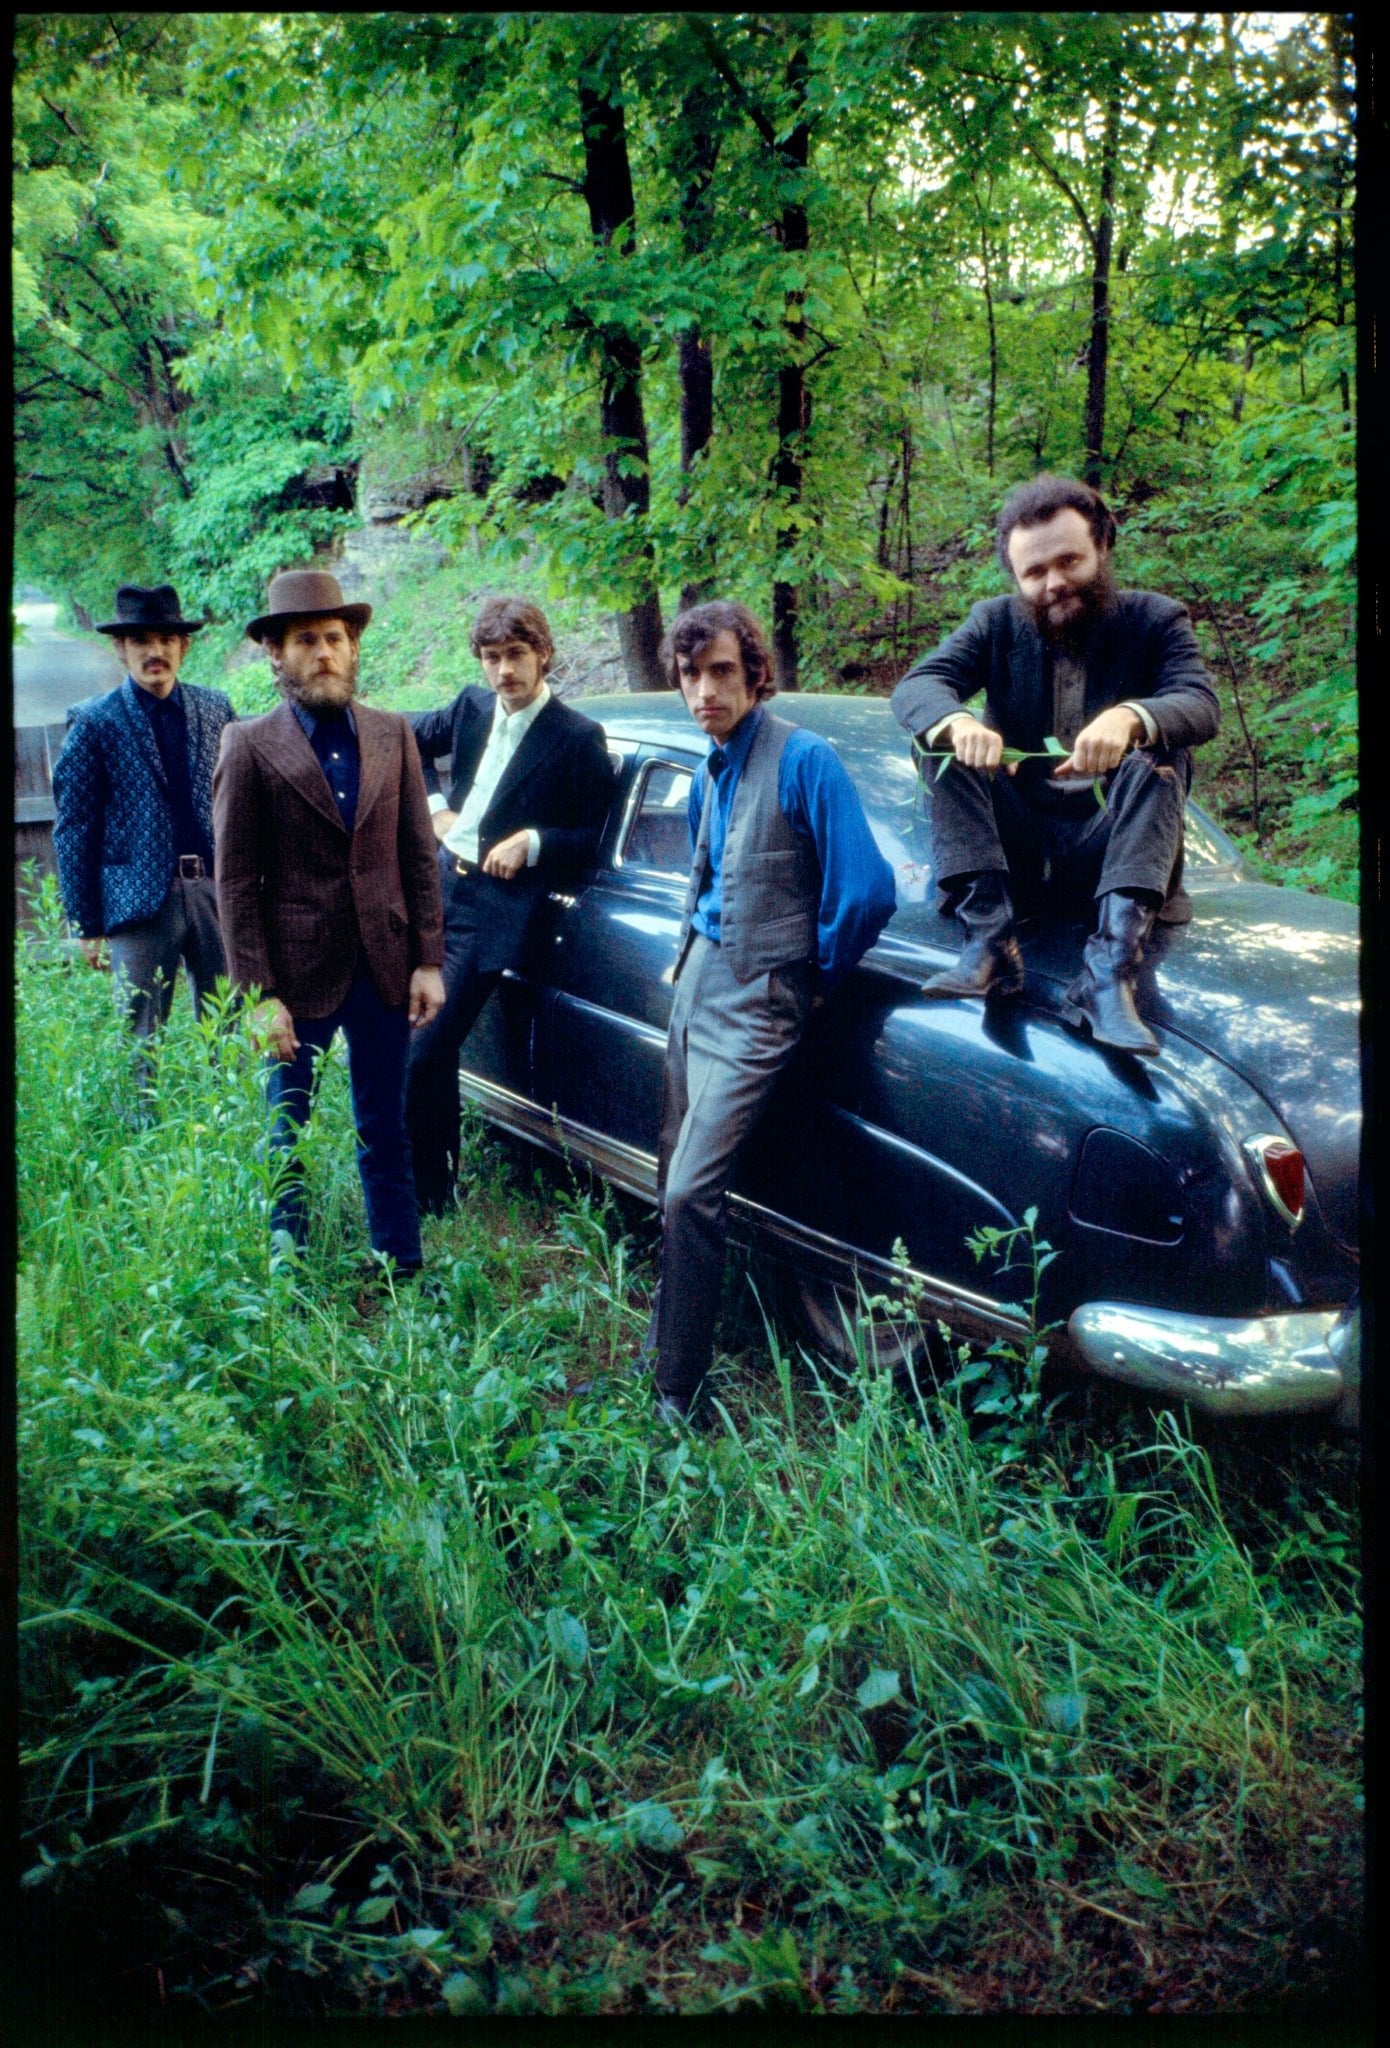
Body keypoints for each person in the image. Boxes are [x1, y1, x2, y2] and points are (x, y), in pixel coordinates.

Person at [650, 600, 898, 1423]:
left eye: (722, 671)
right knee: (670, 1170)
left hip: (763, 993)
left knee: (691, 1190)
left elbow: (866, 891)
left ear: (756, 673)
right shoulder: (707, 767)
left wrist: (810, 978)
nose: (704, 691)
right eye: (690, 675)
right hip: (699, 979)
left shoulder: (804, 758)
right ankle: (669, 1345)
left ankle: (679, 1391)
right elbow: (705, 877)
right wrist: (690, 963)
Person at [889, 474, 1220, 1058]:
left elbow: (1200, 703)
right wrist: (961, 725)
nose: (1054, 583)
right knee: (937, 742)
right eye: (1035, 572)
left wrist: (1132, 718)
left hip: (1112, 854)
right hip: (1019, 854)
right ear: (1017, 578)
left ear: (1102, 547)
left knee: (1162, 753)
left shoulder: (1156, 620)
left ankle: (1108, 975)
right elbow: (918, 686)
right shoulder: (994, 623)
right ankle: (990, 942)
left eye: (1069, 561)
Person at [212, 569, 445, 1278]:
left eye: (335, 638)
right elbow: (235, 882)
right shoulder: (248, 743)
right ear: (276, 654)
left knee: (386, 1125)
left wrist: (428, 959)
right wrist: (259, 994)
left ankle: (400, 1263)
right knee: (287, 1129)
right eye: (306, 640)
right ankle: (289, 1273)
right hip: (295, 977)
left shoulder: (392, 733)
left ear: (353, 647)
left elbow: (418, 852)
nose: (323, 653)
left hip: (384, 965)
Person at [404, 596, 614, 1214]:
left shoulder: (576, 737)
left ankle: (422, 1198)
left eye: (516, 655)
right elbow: (405, 738)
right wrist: (434, 806)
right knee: (423, 1044)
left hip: (492, 912)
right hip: (437, 885)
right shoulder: (470, 707)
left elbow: (594, 837)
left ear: (543, 653)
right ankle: (434, 1191)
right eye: (492, 657)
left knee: (425, 1047)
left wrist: (535, 842)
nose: (504, 671)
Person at [52, 582, 234, 1040]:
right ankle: (140, 1096)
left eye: (167, 639)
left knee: (229, 1028)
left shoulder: (217, 709)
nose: (156, 652)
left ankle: (230, 1095)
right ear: (120, 648)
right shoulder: (94, 721)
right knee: (140, 1037)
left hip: (214, 890)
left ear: (184, 645)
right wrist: (85, 922)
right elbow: (75, 827)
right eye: (140, 641)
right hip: (137, 902)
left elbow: (239, 805)